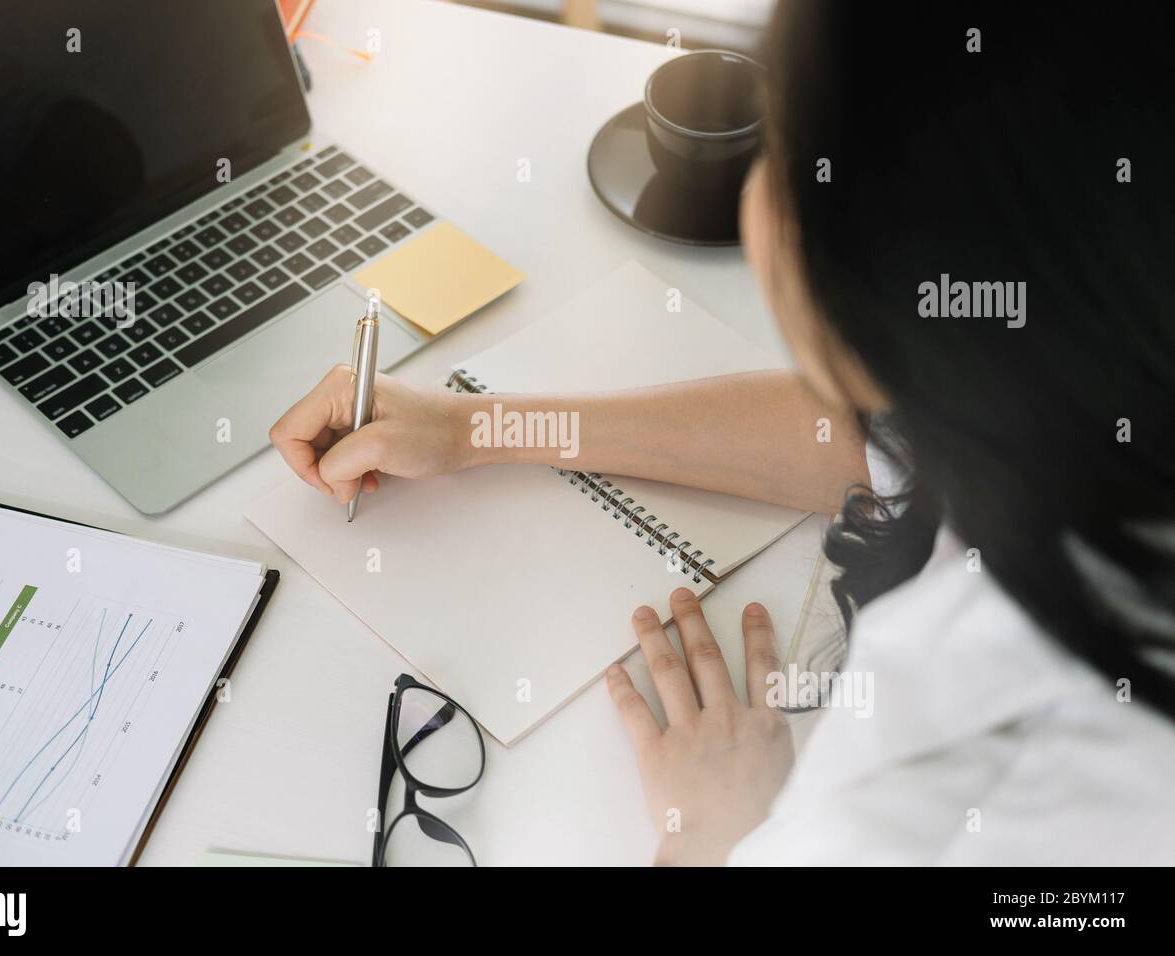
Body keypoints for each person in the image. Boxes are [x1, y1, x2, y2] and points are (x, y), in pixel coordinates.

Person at [269, 0, 1175, 864]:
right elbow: (869, 438)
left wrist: (711, 836)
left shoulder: (960, 778)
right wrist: (477, 427)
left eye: (780, 148)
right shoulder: (1073, 394)